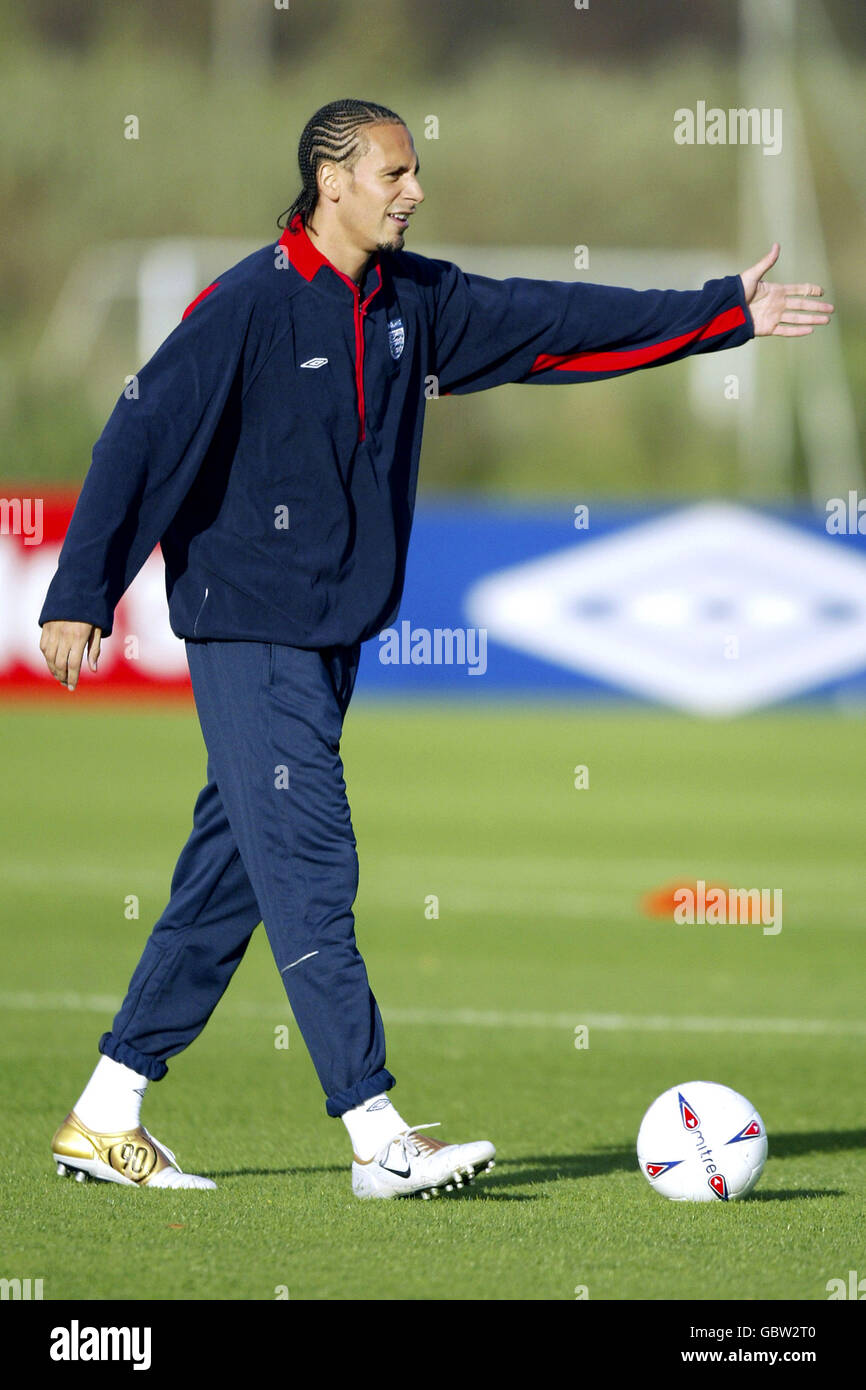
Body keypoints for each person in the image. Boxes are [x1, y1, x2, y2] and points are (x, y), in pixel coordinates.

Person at [37, 98, 834, 1200]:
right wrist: (82, 591)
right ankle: (375, 1134)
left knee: (231, 877)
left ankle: (105, 1111)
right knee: (313, 865)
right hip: (249, 629)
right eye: (393, 173)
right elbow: (140, 430)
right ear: (330, 180)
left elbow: (551, 321)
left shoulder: (412, 301)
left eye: (415, 173)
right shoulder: (244, 305)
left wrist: (715, 313)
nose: (413, 190)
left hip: (328, 638)